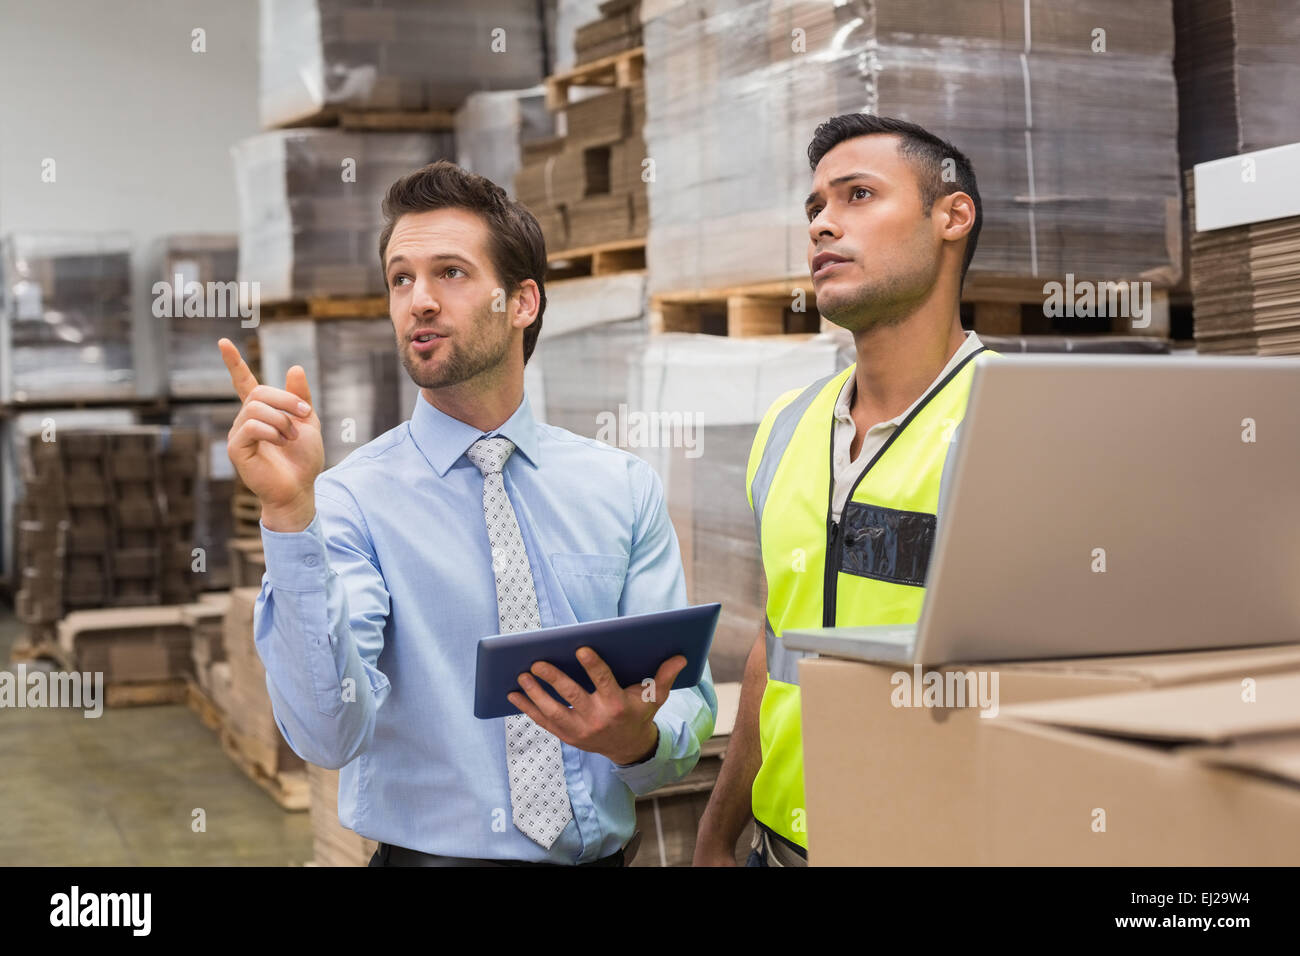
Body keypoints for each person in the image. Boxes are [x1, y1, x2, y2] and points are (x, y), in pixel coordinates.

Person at [219, 160, 716, 867]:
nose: (418, 300)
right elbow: (328, 735)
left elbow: (684, 706)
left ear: (522, 304)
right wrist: (288, 513)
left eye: (449, 273)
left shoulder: (621, 488)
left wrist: (636, 739)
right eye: (400, 278)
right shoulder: (350, 500)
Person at [693, 114, 998, 867]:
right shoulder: (785, 429)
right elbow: (775, 645)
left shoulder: (1018, 422)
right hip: (776, 849)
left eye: (858, 195)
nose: (825, 223)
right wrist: (715, 835)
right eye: (815, 208)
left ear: (951, 215)